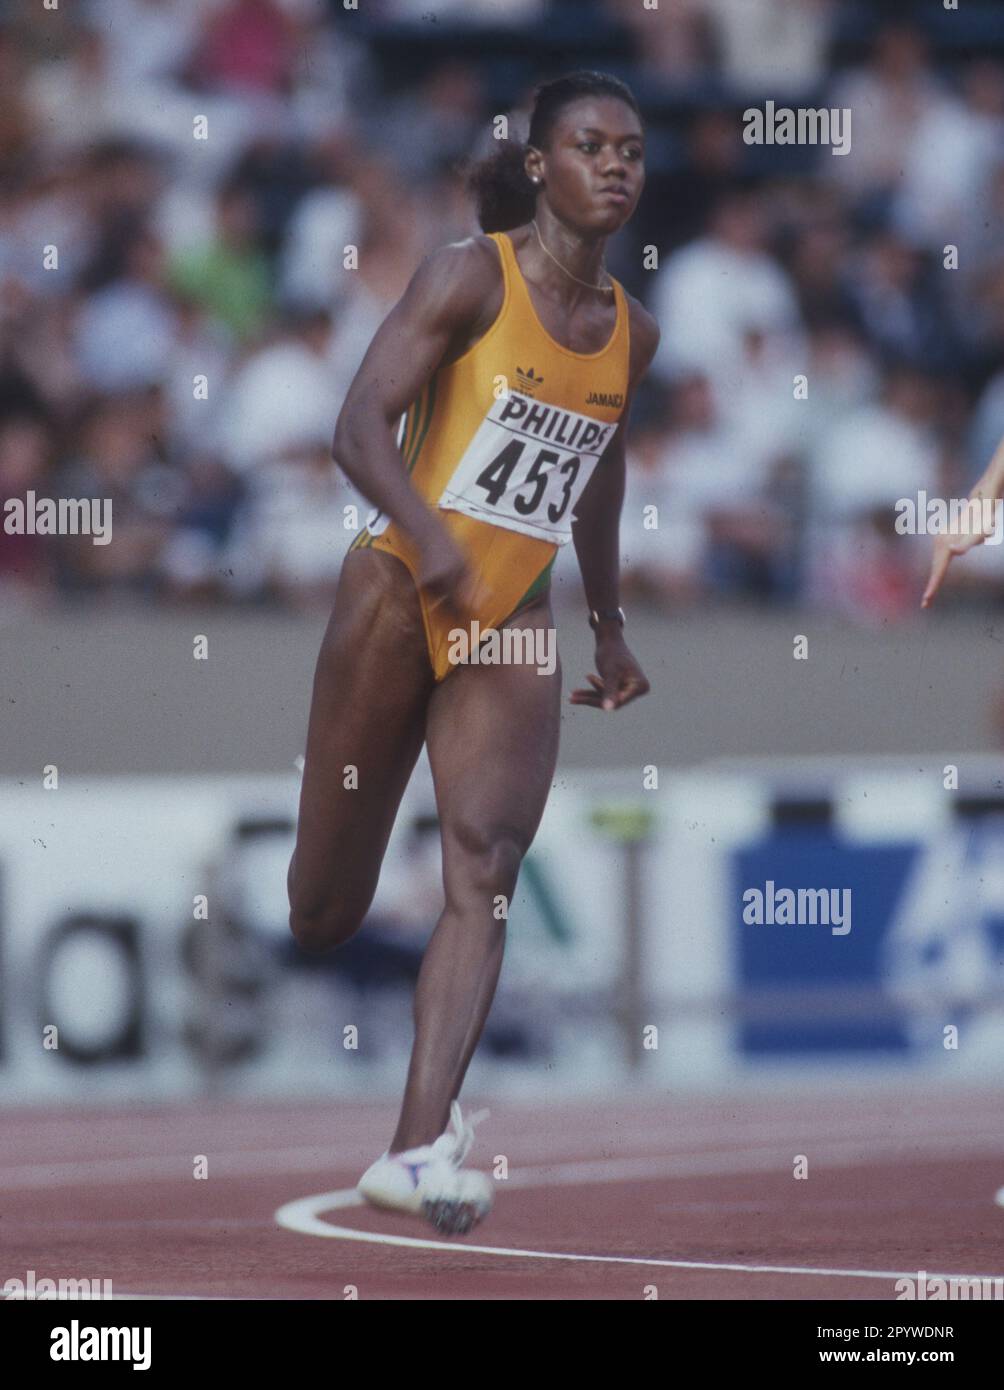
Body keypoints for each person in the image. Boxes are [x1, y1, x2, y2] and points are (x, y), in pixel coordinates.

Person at [286, 70, 660, 1235]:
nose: (614, 164)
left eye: (631, 151)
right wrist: (437, 541)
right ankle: (323, 909)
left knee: (485, 864)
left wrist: (604, 621)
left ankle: (413, 1143)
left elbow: (595, 474)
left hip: (515, 617)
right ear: (541, 166)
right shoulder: (467, 274)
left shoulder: (631, 333)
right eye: (590, 145)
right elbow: (354, 427)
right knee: (324, 910)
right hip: (396, 594)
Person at [922, 431, 1004, 607]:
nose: (948, 472)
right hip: (935, 613)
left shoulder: (994, 508)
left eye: (952, 465)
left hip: (988, 607)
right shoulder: (918, 507)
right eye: (943, 465)